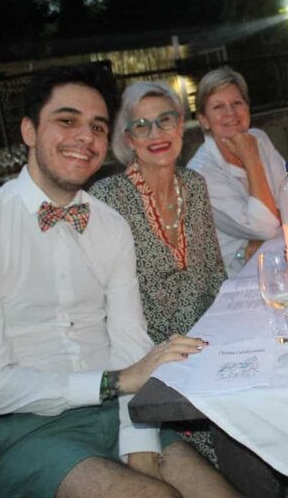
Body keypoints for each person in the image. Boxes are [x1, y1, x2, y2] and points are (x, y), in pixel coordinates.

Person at [0, 64, 240, 497]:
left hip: (117, 413)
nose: (85, 137)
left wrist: (139, 442)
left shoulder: (110, 226)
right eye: (66, 121)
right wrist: (114, 382)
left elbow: (129, 342)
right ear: (28, 131)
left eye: (97, 126)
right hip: (20, 430)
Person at [90, 81, 227, 464]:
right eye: (142, 125)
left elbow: (215, 275)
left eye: (165, 120)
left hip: (204, 348)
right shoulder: (108, 198)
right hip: (150, 361)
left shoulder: (195, 186)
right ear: (128, 139)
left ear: (181, 125)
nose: (156, 134)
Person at [187, 67, 286, 275]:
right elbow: (266, 226)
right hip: (236, 275)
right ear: (204, 119)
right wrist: (251, 159)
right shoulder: (201, 173)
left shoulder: (258, 138)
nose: (230, 113)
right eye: (218, 107)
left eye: (237, 103)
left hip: (280, 257)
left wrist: (260, 235)